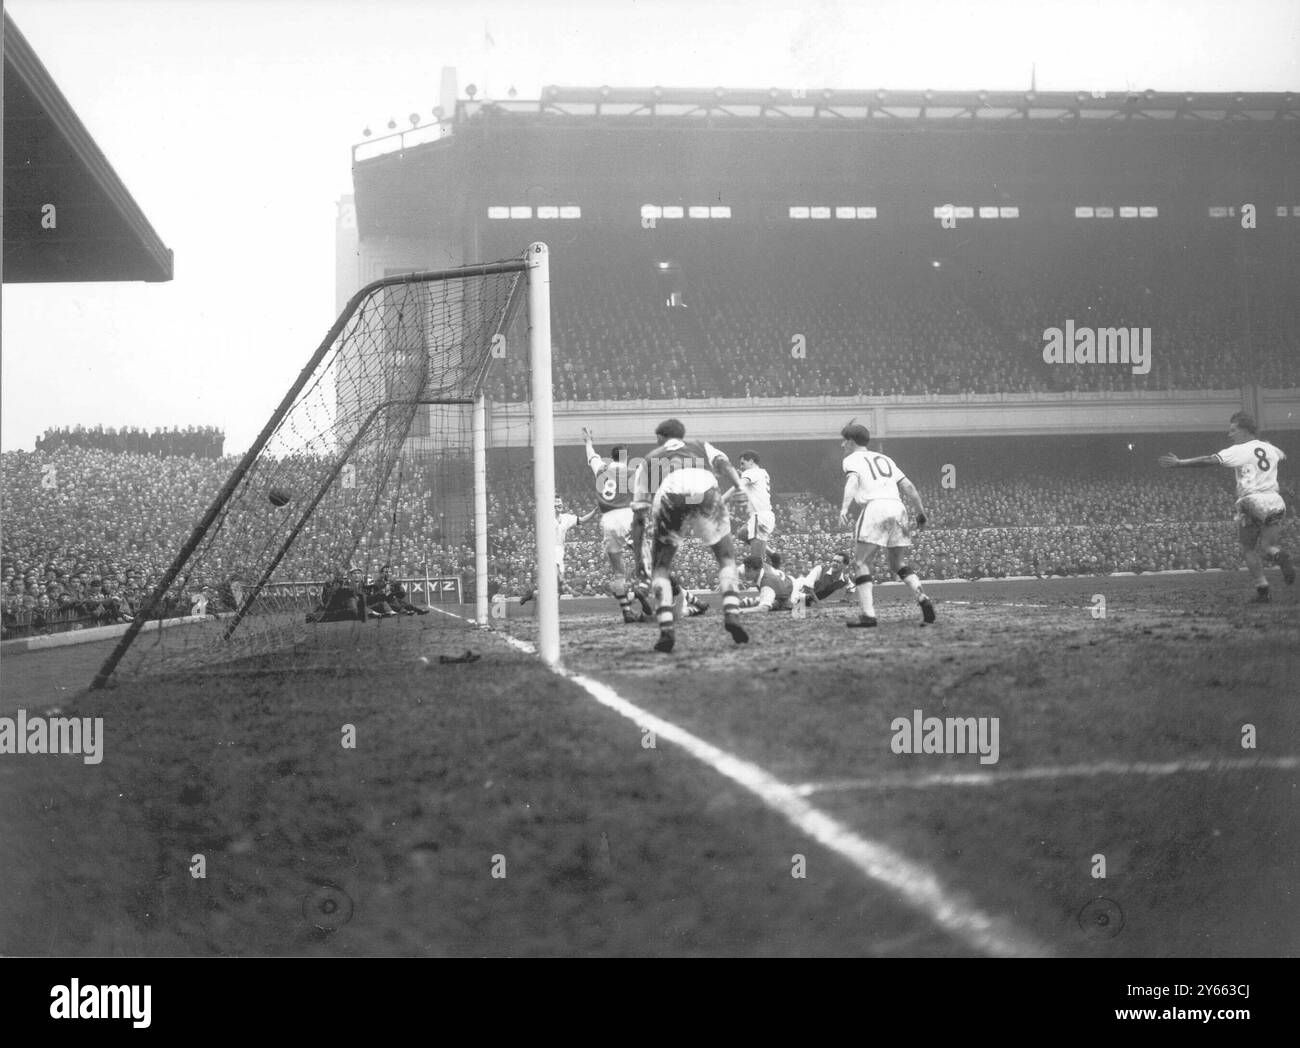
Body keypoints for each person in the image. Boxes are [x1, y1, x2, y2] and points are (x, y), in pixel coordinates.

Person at [629, 417, 750, 653]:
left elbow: (639, 516)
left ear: (662, 437)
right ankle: (732, 614)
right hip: (704, 487)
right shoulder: (700, 445)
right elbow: (724, 463)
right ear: (681, 436)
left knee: (661, 568)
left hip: (670, 493)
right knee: (726, 557)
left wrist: (639, 562)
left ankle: (666, 628)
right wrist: (739, 486)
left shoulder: (650, 459)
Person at [1159, 411, 1294, 602]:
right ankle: (1280, 556)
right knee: (1267, 547)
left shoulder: (1239, 449)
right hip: (1275, 500)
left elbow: (1208, 460)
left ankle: (1263, 589)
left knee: (1248, 547)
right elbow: (1282, 455)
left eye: (1233, 430)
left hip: (1252, 500)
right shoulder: (1270, 448)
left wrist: (1180, 463)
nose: (1230, 434)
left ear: (1244, 430)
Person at [838, 421, 936, 628]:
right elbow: (908, 486)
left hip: (875, 508)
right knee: (897, 564)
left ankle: (868, 615)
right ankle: (923, 598)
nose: (842, 445)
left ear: (851, 441)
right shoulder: (886, 459)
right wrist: (920, 512)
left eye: (844, 441)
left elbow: (853, 482)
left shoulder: (851, 459)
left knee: (861, 563)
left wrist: (844, 508)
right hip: (898, 508)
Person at [583, 427, 644, 623]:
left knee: (619, 571)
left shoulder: (601, 469)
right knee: (646, 561)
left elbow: (592, 457)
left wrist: (588, 442)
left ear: (612, 457)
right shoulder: (633, 471)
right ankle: (640, 594)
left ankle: (626, 610)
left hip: (607, 521)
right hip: (626, 516)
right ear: (626, 458)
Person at [520, 498, 598, 606]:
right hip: (549, 549)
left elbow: (583, 520)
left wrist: (595, 511)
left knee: (552, 588)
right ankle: (565, 588)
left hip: (560, 549)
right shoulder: (547, 519)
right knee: (558, 578)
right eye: (556, 504)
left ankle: (532, 594)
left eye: (560, 503)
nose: (559, 505)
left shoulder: (566, 518)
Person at [737, 451, 775, 563]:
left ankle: (764, 569)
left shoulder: (751, 472)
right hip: (765, 514)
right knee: (742, 534)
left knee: (756, 561)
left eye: (743, 463)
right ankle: (772, 554)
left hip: (760, 516)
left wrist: (722, 499)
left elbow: (738, 485)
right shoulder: (763, 472)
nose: (741, 466)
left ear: (751, 461)